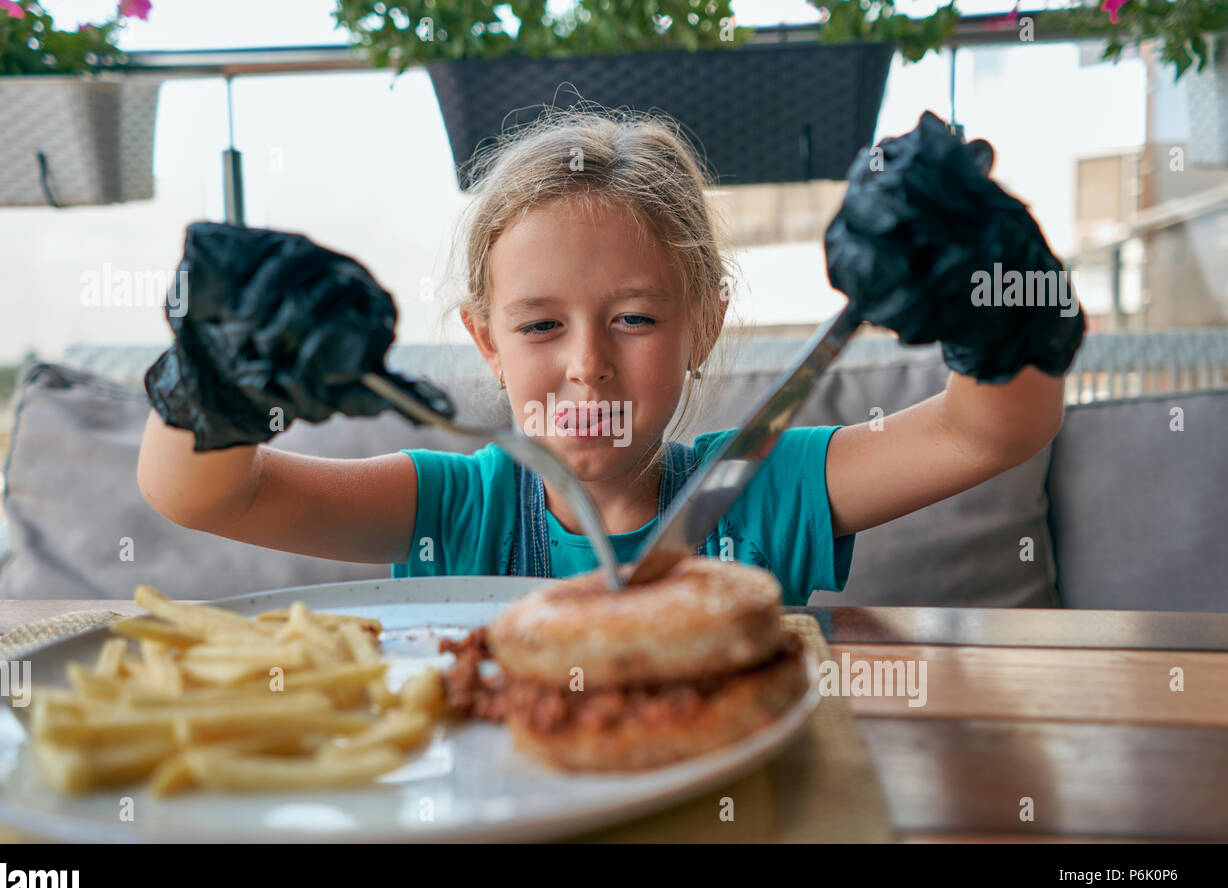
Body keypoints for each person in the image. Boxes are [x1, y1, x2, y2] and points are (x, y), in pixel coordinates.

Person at [137, 108, 1075, 607]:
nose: (587, 364)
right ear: (485, 343)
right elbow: (207, 493)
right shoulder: (455, 507)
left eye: (633, 319)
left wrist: (998, 290)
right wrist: (218, 366)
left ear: (703, 324)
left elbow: (988, 429)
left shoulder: (764, 483)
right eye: (541, 326)